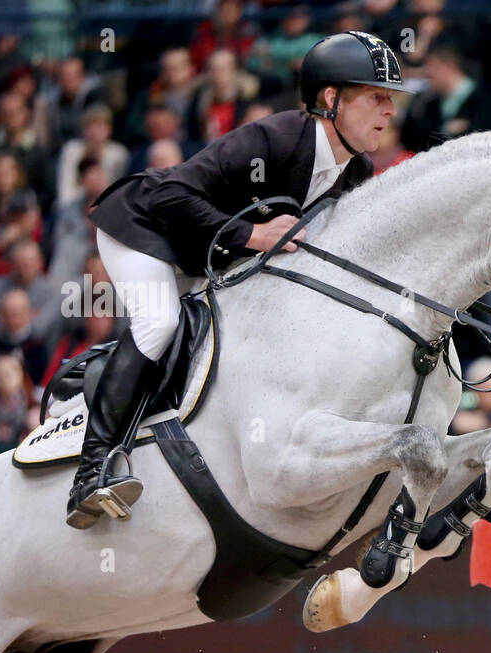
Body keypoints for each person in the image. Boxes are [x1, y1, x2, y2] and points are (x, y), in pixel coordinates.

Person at [74, 31, 414, 529]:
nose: (390, 111)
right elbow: (173, 195)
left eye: (393, 100)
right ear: (332, 99)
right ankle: (92, 472)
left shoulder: (354, 172)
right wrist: (250, 233)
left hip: (204, 256)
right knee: (159, 323)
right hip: (144, 226)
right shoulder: (273, 139)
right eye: (377, 97)